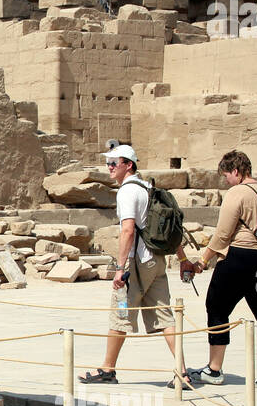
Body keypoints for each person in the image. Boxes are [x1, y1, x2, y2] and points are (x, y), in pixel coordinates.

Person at [78, 144, 198, 387]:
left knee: (120, 311)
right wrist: (183, 258)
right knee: (165, 316)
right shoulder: (148, 188)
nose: (109, 167)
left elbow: (128, 230)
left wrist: (120, 268)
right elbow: (166, 228)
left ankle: (108, 369)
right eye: (108, 163)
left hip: (136, 264)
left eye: (114, 163)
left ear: (128, 165)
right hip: (156, 260)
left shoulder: (127, 192)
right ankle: (181, 371)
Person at [186, 150, 257, 390]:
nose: (226, 181)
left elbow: (223, 233)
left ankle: (214, 369)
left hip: (241, 258)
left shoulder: (237, 193)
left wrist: (203, 260)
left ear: (235, 171)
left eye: (226, 176)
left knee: (217, 307)